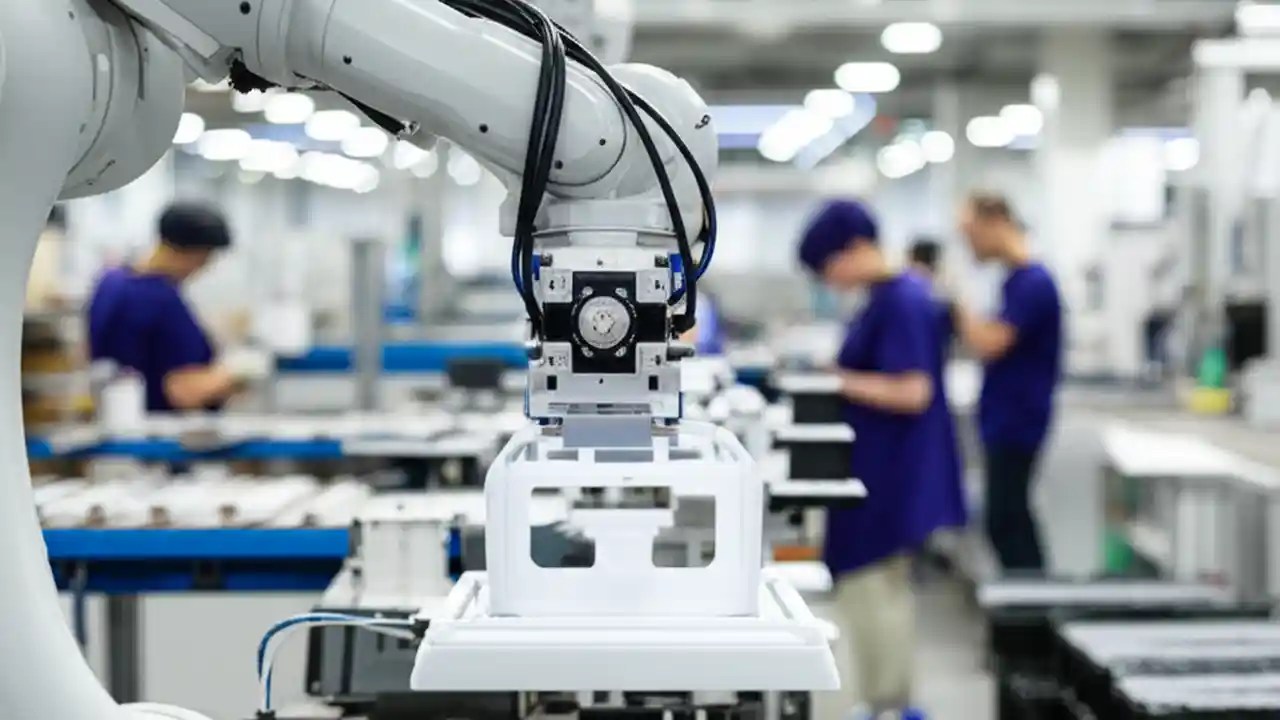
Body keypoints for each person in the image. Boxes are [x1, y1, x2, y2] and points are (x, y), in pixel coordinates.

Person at [799, 200, 965, 720]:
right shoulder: (884, 299)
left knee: (876, 590)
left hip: (893, 475)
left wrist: (837, 379)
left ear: (850, 250)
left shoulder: (902, 300)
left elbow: (913, 391)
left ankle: (890, 706)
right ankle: (882, 702)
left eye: (829, 268)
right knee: (870, 589)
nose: (831, 280)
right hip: (877, 469)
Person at [954, 191, 1063, 574]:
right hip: (1005, 418)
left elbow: (991, 342)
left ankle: (1032, 619)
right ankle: (1026, 617)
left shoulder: (1033, 282)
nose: (969, 246)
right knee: (1007, 519)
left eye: (971, 234)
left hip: (1018, 421)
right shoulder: (1015, 281)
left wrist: (956, 304)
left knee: (1007, 518)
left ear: (996, 221)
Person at [88, 202, 268, 413]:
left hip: (116, 420)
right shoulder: (159, 300)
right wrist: (240, 373)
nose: (203, 269)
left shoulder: (112, 282)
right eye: (204, 259)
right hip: (159, 434)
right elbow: (183, 391)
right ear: (194, 253)